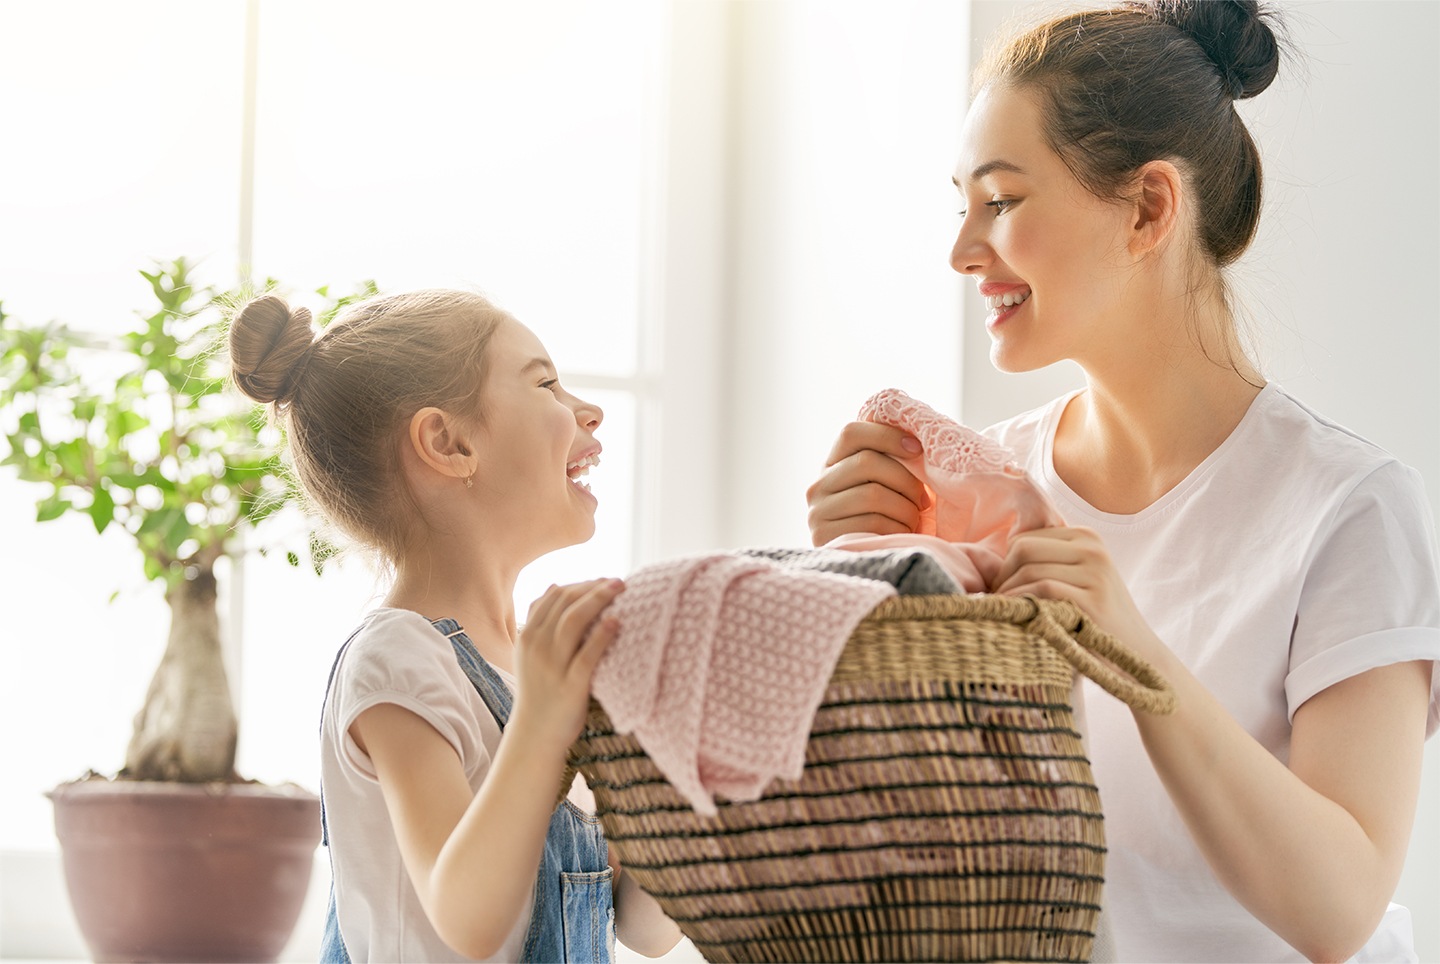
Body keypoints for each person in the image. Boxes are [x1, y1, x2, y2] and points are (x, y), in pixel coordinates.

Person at [805, 2, 1440, 961]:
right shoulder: (978, 491)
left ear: (1148, 208)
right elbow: (907, 849)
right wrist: (850, 592)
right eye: (961, 205)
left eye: (1001, 201)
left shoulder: (1350, 510)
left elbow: (1339, 908)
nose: (962, 251)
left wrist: (1132, 651)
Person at [228, 289, 683, 962]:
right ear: (448, 443)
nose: (589, 410)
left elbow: (648, 930)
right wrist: (547, 715)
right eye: (546, 385)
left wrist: (674, 761)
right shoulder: (400, 657)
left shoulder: (536, 671)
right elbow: (467, 921)